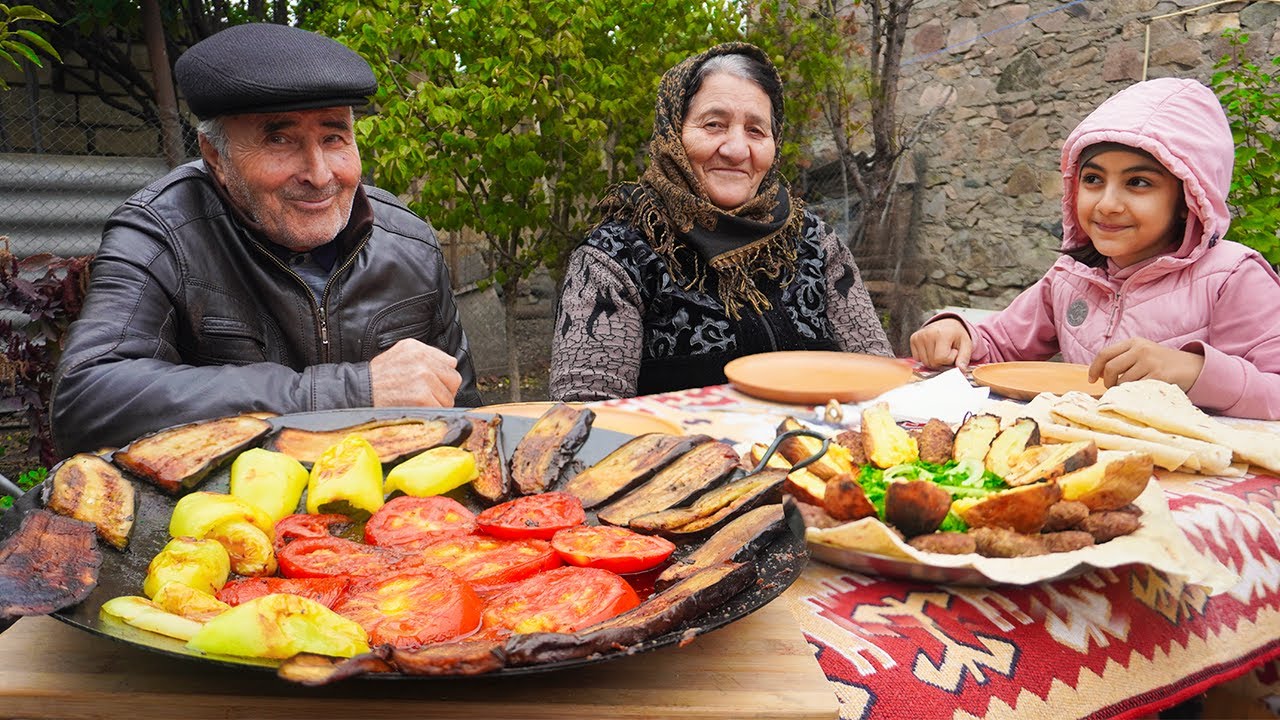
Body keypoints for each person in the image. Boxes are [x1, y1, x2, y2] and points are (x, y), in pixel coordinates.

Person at [51, 23, 482, 456]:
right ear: (216, 156)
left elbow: (469, 421)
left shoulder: (410, 242)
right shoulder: (161, 234)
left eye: (333, 137)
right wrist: (348, 391)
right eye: (279, 140)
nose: (319, 175)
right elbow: (85, 399)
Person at [910, 77, 1280, 420]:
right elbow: (999, 343)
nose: (1107, 204)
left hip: (1200, 464)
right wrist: (956, 332)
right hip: (1086, 454)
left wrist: (1194, 370)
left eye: (1138, 182)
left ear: (1189, 198)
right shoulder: (1070, 278)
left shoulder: (1232, 276)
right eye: (1092, 179)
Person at [550, 43, 891, 401]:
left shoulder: (814, 244)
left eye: (756, 130)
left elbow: (879, 381)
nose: (736, 150)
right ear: (672, 133)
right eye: (714, 125)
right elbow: (586, 415)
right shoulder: (617, 256)